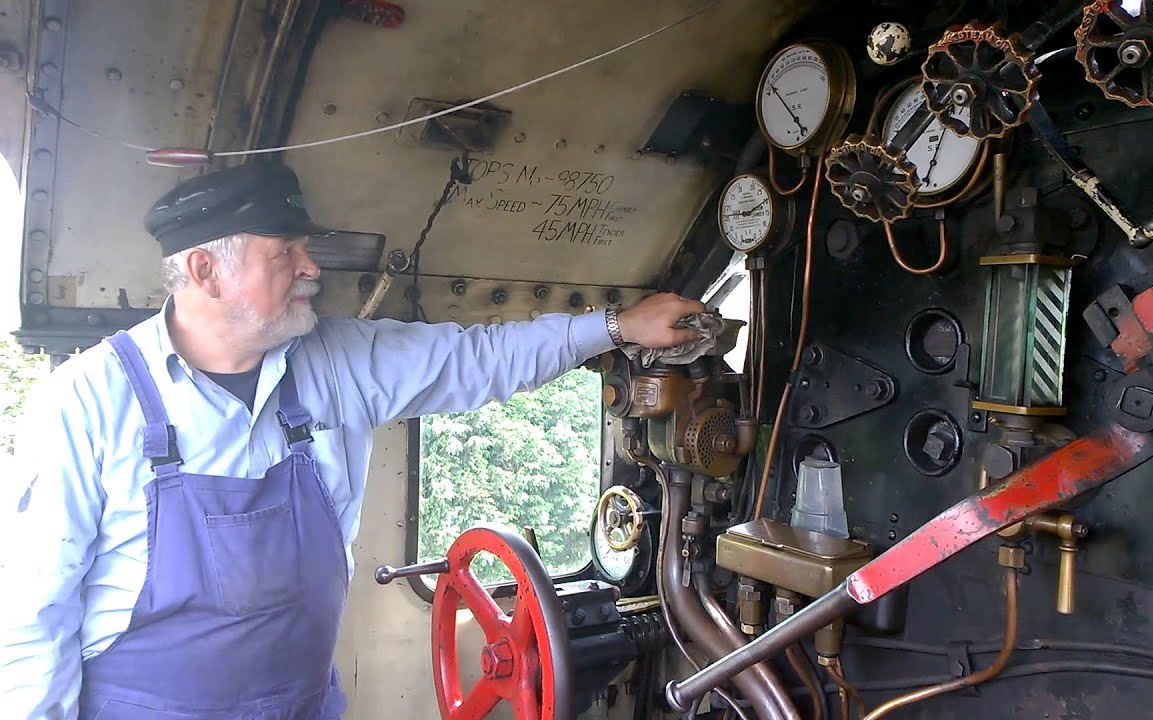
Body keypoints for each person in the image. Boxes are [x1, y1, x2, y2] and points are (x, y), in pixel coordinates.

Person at [0, 161, 707, 719]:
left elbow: (480, 358)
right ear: (205, 271)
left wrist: (616, 328)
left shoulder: (335, 362)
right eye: (284, 252)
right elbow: (33, 617)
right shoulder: (89, 399)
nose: (312, 267)